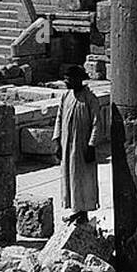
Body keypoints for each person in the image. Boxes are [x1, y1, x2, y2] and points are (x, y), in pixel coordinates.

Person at [52, 63, 102, 223]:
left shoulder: (90, 98)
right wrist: (57, 142)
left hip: (83, 146)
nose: (66, 82)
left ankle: (84, 211)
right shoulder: (66, 96)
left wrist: (91, 145)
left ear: (78, 80)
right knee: (70, 177)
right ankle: (75, 209)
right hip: (67, 145)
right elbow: (59, 119)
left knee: (83, 178)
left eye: (68, 79)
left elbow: (96, 123)